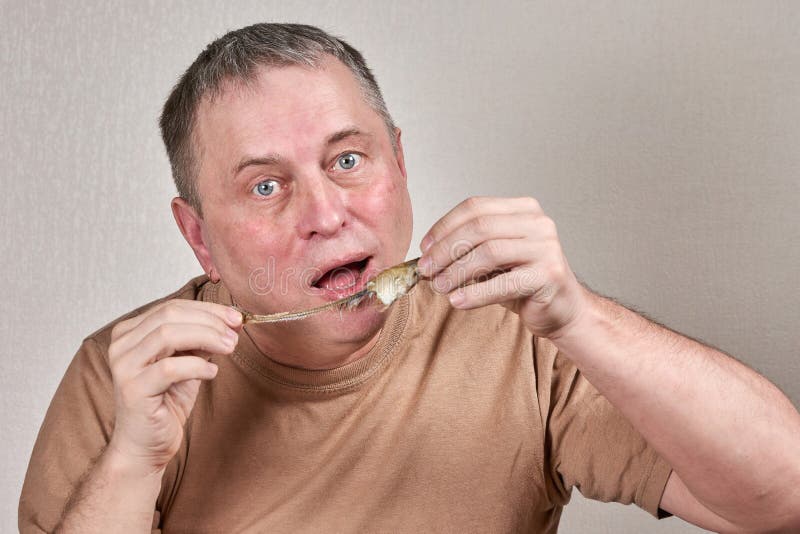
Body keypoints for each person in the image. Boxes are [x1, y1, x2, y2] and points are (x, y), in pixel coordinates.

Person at [19, 23, 800, 533]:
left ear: (399, 161)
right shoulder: (131, 379)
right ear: (200, 239)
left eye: (348, 160)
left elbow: (782, 499)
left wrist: (582, 320)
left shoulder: (521, 335)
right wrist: (133, 457)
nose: (325, 214)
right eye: (265, 185)